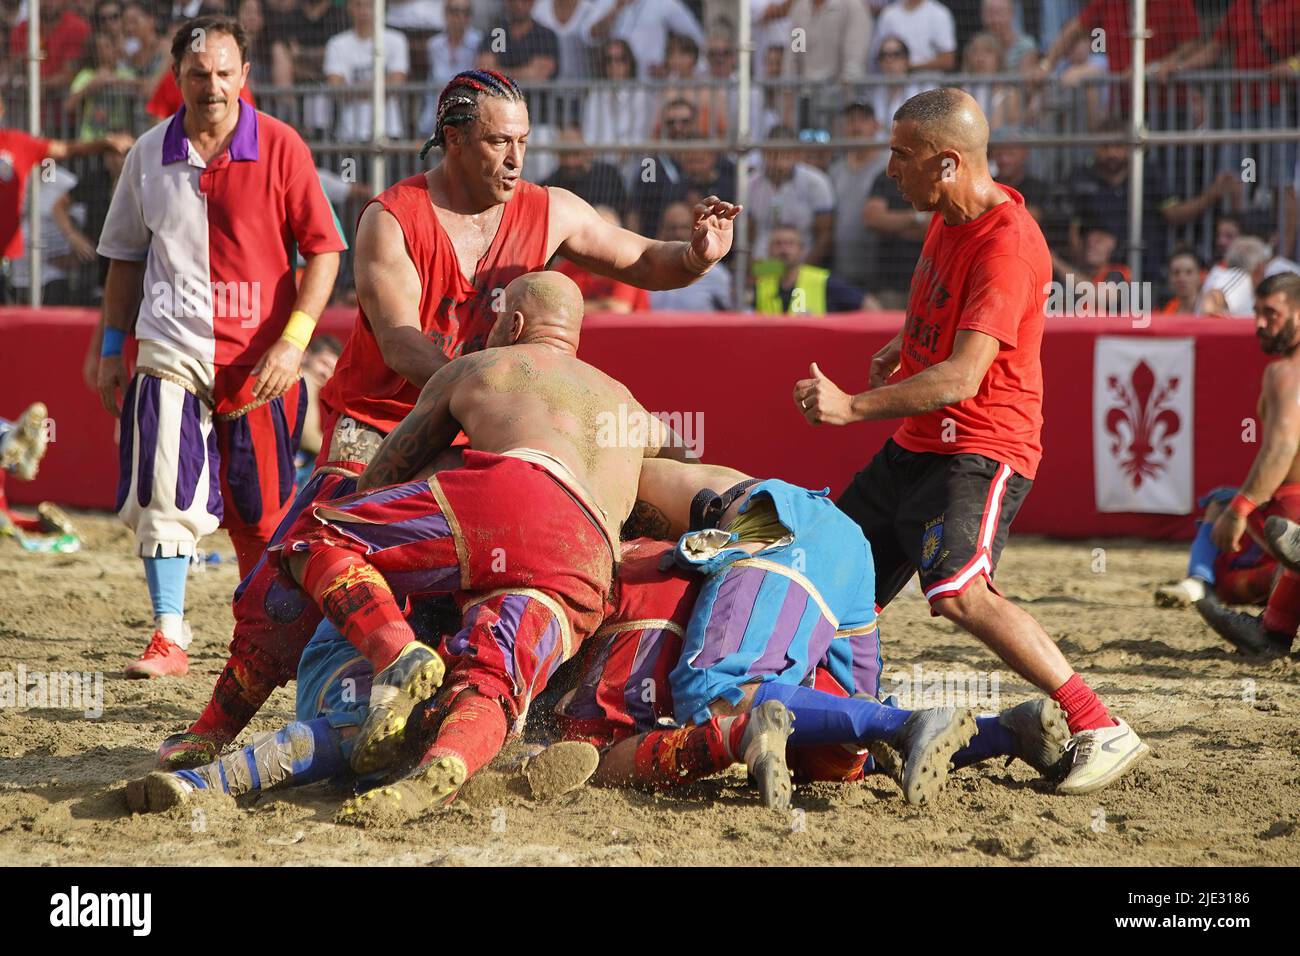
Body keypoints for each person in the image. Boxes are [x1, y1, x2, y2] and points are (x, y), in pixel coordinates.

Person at [158, 69, 741, 771]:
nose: (516, 158)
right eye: (499, 142)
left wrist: (698, 255)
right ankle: (217, 726)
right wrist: (485, 388)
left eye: (523, 141)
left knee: (604, 540)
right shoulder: (392, 216)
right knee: (287, 577)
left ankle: (520, 707)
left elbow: (647, 258)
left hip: (493, 438)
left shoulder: (549, 209)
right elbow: (400, 340)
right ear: (455, 140)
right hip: (381, 423)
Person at [793, 88, 1148, 795]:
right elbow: (948, 312)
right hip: (920, 443)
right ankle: (852, 727)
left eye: (902, 156)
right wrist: (903, 341)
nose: (890, 168)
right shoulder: (951, 212)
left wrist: (852, 405)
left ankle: (1100, 724)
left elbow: (961, 378)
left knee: (958, 590)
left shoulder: (1008, 246)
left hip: (981, 448)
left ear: (948, 162)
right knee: (829, 573)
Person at [283, 272, 694, 818]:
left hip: (506, 505)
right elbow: (683, 459)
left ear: (515, 323)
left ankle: (396, 658)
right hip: (588, 556)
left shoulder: (483, 366)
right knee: (494, 673)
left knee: (315, 535)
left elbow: (378, 481)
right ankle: (447, 765)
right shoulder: (629, 407)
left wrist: (439, 470)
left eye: (497, 318)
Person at [95, 15, 346, 679]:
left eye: (224, 73)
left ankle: (261, 634)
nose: (212, 86)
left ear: (245, 76)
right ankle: (168, 634)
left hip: (262, 358)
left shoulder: (283, 146)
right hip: (168, 347)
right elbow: (123, 257)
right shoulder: (146, 153)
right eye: (199, 73)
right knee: (161, 489)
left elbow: (324, 251)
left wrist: (294, 343)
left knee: (260, 509)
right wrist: (109, 345)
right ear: (175, 77)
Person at [1187, 273, 1300, 658]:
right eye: (1256, 312)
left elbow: (1281, 447)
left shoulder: (1285, 372)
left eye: (1271, 313)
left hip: (1289, 506)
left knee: (1225, 509)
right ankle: (1273, 627)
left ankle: (1272, 630)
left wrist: (1240, 507)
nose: (1259, 324)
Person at [0, 99, 131, 304]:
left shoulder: (62, 180)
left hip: (52, 272)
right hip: (19, 270)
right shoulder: (22, 179)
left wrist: (72, 247)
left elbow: (71, 213)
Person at [747, 127, 835, 267]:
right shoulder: (751, 184)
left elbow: (825, 234)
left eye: (786, 154)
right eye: (774, 154)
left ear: (797, 154)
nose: (779, 161)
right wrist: (752, 268)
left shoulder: (816, 182)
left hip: (803, 262)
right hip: (763, 264)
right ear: (764, 153)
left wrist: (802, 270)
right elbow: (747, 233)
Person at [324, 0, 410, 142]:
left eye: (369, 5)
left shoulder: (396, 40)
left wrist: (352, 88)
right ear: (349, 7)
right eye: (358, 4)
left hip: (389, 131)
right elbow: (335, 87)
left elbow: (397, 84)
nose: (364, 11)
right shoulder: (336, 43)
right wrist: (380, 86)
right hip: (348, 133)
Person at [828, 101, 889, 292]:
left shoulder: (888, 164)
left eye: (863, 120)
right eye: (850, 121)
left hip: (881, 267)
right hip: (842, 265)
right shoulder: (836, 169)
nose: (856, 127)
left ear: (876, 125)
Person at [753, 225, 875, 314]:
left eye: (790, 243)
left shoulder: (822, 280)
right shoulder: (760, 281)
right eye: (778, 244)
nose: (784, 250)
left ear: (801, 250)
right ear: (768, 250)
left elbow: (869, 305)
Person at [650, 201, 733, 311]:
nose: (678, 233)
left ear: (695, 228)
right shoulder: (650, 268)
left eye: (684, 227)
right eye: (672, 228)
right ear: (662, 231)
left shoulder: (716, 274)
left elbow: (730, 314)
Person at [872, 0, 956, 72]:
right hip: (891, 85)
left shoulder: (939, 13)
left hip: (926, 86)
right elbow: (876, 54)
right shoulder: (889, 14)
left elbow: (948, 60)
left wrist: (909, 66)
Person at [1159, 246, 1203, 314]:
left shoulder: (1210, 311)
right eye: (1176, 273)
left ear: (1199, 276)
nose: (1182, 278)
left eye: (1189, 272)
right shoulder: (1165, 312)